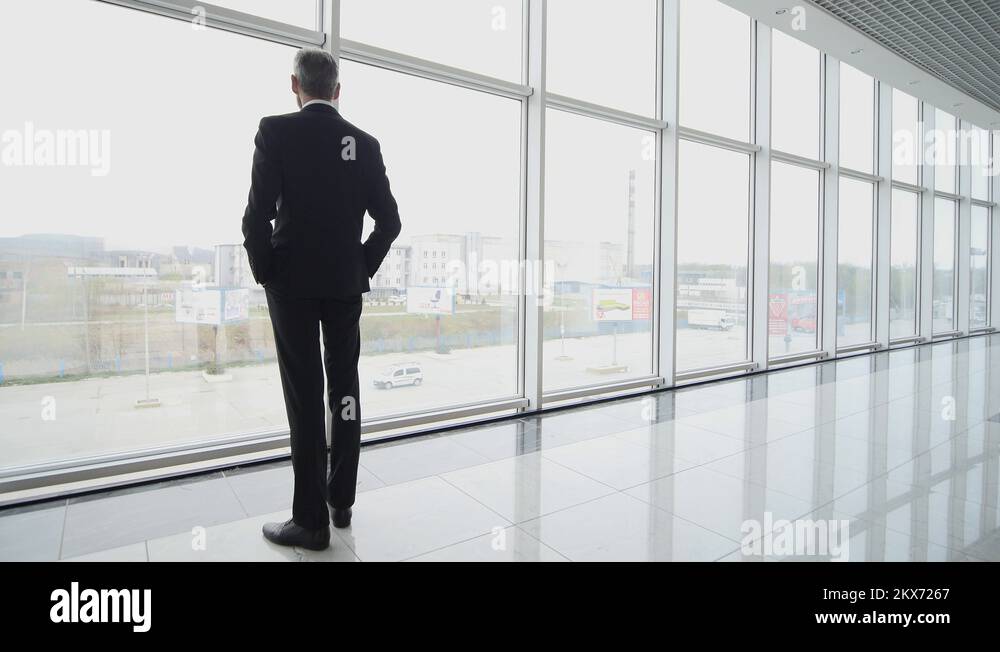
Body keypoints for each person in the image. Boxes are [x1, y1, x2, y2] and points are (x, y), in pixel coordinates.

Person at [242, 48, 401, 551]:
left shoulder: (275, 131)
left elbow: (256, 217)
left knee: (305, 396)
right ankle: (341, 501)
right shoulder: (364, 143)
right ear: (338, 90)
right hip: (342, 286)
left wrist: (268, 272)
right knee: (345, 391)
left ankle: (309, 521)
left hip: (291, 285)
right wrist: (360, 265)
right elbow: (389, 222)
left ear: (295, 85)